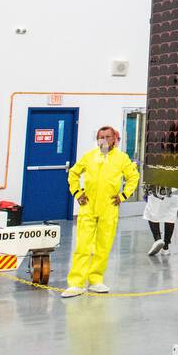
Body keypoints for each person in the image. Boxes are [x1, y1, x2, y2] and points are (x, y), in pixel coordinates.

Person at [62, 126, 139, 298]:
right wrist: (77, 193)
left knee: (103, 246)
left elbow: (133, 177)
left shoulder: (122, 158)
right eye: (101, 137)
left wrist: (123, 195)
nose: (104, 139)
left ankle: (96, 280)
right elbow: (73, 174)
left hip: (109, 208)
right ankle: (76, 283)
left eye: (107, 136)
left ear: (114, 139)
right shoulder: (89, 157)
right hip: (87, 207)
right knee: (82, 246)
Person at [144, 185, 178, 256]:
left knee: (152, 214)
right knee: (170, 218)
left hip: (157, 190)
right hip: (173, 191)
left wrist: (147, 188)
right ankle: (166, 247)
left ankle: (158, 240)